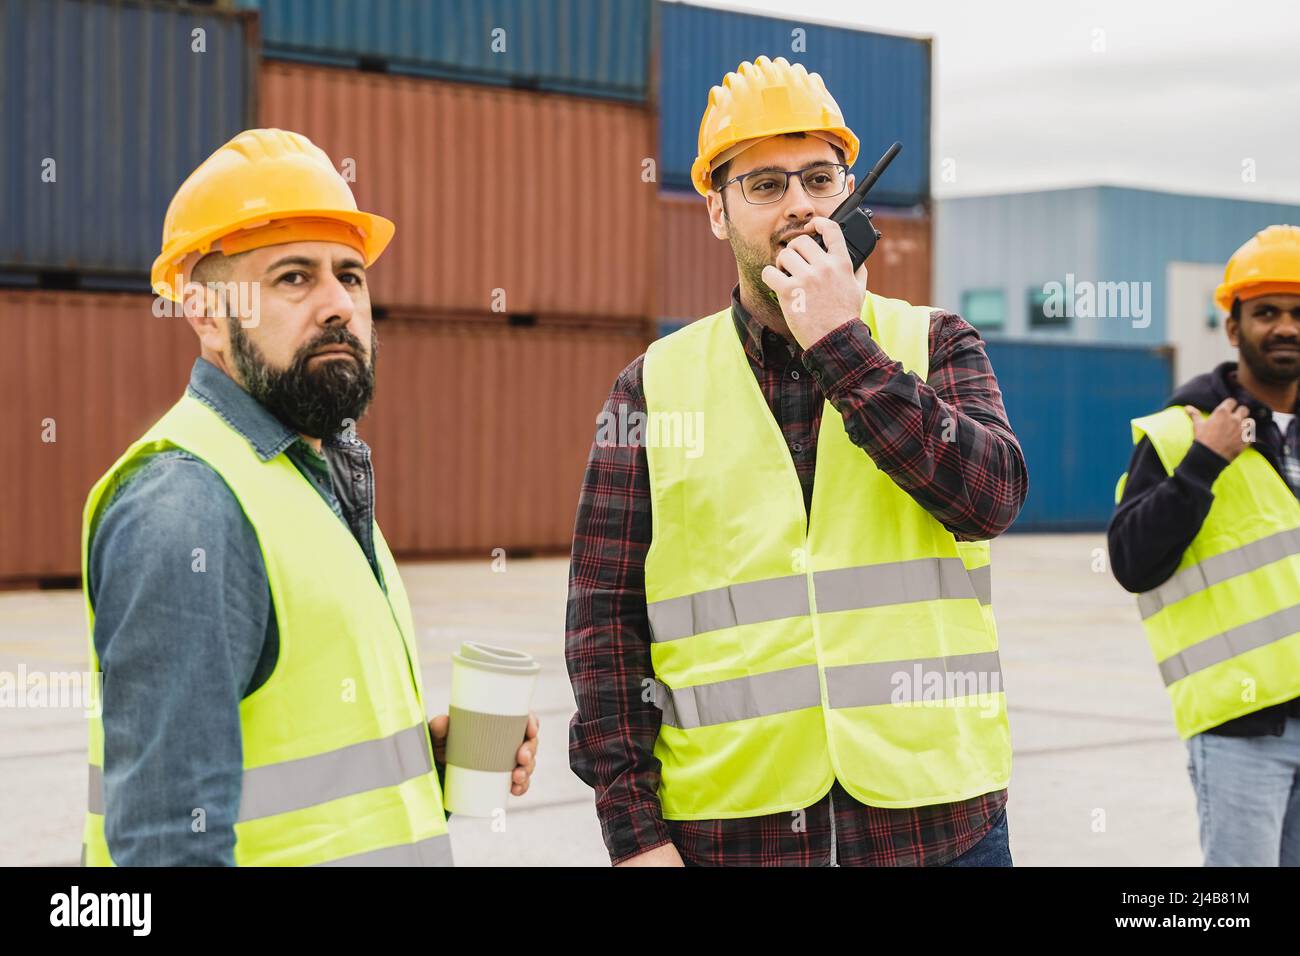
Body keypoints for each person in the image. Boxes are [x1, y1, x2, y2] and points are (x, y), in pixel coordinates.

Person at [565, 57, 1026, 867]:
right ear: (717, 211)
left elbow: (988, 497)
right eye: (766, 186)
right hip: (736, 832)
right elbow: (603, 623)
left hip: (938, 827)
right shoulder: (651, 388)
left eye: (819, 178)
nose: (800, 207)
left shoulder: (935, 341)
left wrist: (843, 346)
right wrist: (633, 835)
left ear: (850, 192)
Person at [80, 128, 538, 866]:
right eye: (294, 278)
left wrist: (420, 766)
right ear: (204, 313)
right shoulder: (185, 504)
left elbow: (292, 776)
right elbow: (166, 845)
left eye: (350, 276)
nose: (337, 306)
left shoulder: (316, 478)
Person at [1109, 224, 1300, 866]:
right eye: (1266, 312)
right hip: (1243, 729)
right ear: (1232, 326)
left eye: (1299, 313)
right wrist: (1202, 466)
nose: (1285, 327)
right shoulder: (1176, 434)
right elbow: (1132, 563)